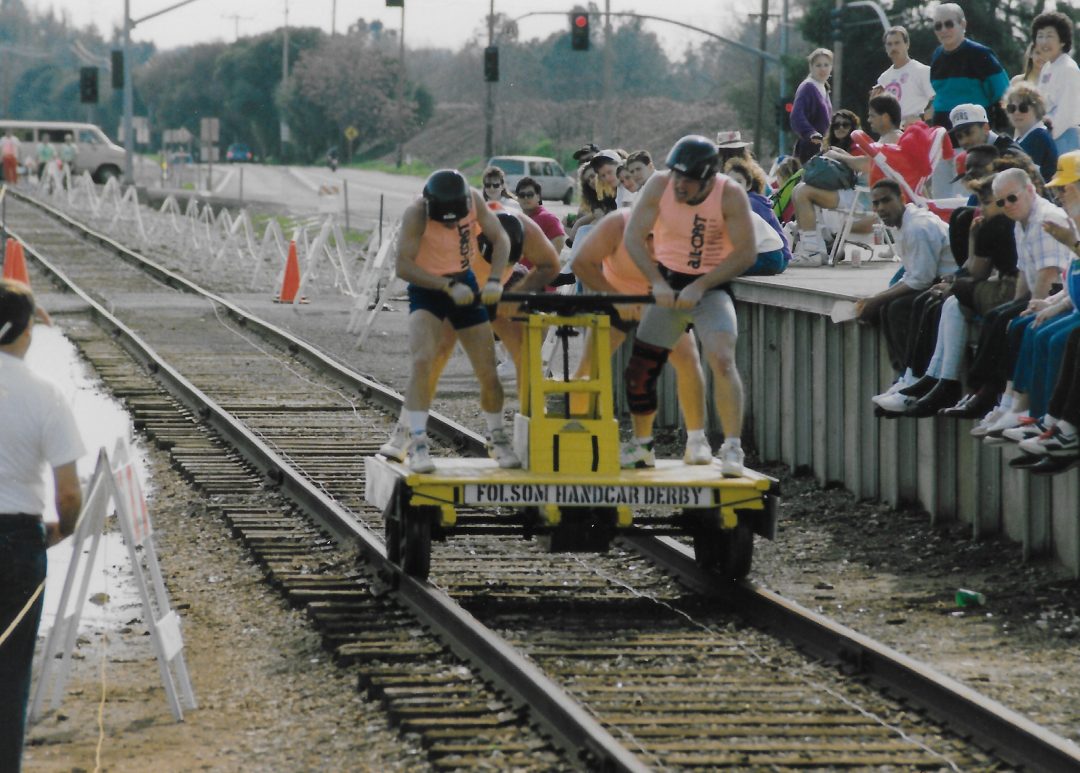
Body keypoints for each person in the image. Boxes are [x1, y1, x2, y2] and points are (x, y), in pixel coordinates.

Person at [622, 135, 757, 477]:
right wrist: (655, 281)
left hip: (711, 283)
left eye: (688, 180)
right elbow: (633, 237)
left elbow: (745, 252)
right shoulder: (659, 186)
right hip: (668, 279)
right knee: (642, 370)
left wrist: (701, 285)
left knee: (722, 357)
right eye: (676, 177)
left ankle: (731, 447)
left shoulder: (729, 194)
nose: (679, 185)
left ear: (709, 179)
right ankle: (644, 445)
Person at [377, 169, 519, 472]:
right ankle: (416, 441)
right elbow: (403, 265)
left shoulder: (473, 200)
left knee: (488, 369)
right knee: (422, 361)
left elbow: (501, 239)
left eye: (457, 220)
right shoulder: (416, 212)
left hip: (464, 282)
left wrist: (494, 280)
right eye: (447, 220)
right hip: (428, 287)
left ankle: (497, 436)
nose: (453, 224)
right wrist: (444, 287)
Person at [0, 279, 85, 772]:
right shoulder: (44, 394)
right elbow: (69, 493)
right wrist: (61, 529)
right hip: (16, 545)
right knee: (9, 672)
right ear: (25, 332)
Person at [568, 209, 713, 465]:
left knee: (689, 360)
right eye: (645, 238)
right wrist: (613, 295)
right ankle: (578, 436)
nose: (650, 246)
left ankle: (697, 440)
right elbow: (581, 263)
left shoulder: (681, 229)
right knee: (589, 367)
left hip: (659, 301)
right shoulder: (616, 224)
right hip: (618, 295)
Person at [966, 167, 1076, 437]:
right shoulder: (1023, 221)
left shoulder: (1048, 218)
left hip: (1057, 290)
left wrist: (1042, 305)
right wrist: (1024, 304)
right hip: (1063, 295)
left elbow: (1048, 275)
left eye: (1011, 198)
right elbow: (1024, 275)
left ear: (1029, 191)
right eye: (1001, 202)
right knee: (1005, 318)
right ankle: (1011, 404)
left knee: (1032, 329)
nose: (1006, 206)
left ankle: (1038, 413)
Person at [425, 206, 561, 394]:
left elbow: (550, 265)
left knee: (537, 316)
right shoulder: (455, 236)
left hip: (507, 281)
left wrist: (518, 294)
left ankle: (528, 399)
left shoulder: (528, 230)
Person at [854, 179, 956, 376]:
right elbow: (912, 275)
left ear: (901, 199)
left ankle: (914, 374)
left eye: (886, 201)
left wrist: (877, 299)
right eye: (876, 204)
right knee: (883, 308)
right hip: (933, 279)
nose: (881, 208)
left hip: (949, 283)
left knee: (897, 308)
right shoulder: (903, 223)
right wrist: (877, 300)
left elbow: (921, 280)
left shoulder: (917, 227)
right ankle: (903, 372)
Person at [788, 110, 865, 266]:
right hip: (843, 193)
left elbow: (863, 166)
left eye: (845, 124)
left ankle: (813, 252)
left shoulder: (859, 145)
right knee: (798, 189)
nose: (840, 128)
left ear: (854, 127)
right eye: (836, 125)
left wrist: (838, 155)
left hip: (858, 195)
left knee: (804, 192)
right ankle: (812, 248)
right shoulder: (828, 145)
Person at [928, 3, 1010, 129]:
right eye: (938, 26)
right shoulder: (936, 56)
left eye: (949, 24)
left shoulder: (981, 54)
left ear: (963, 24)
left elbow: (1004, 94)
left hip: (975, 134)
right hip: (943, 133)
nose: (943, 30)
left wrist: (1000, 131)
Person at [725, 158, 790, 275]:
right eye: (730, 182)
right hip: (764, 252)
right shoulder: (739, 202)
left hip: (774, 256)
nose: (733, 186)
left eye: (738, 182)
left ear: (748, 185)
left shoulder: (750, 203)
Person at [1032, 11, 1080, 155]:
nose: (1044, 41)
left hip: (1065, 138)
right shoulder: (1048, 67)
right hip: (1047, 137)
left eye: (1049, 35)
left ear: (1062, 41)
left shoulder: (1068, 68)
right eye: (1040, 36)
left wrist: (1043, 139)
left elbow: (1066, 114)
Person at [873, 26, 934, 128]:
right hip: (892, 135)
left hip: (918, 131)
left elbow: (936, 103)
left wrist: (920, 119)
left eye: (897, 43)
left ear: (907, 44)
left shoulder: (923, 71)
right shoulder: (883, 78)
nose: (893, 48)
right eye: (889, 44)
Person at [1003, 82, 1058, 183]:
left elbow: (1028, 179)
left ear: (1037, 109)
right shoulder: (1021, 139)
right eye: (1012, 108)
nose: (1016, 112)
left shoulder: (1039, 137)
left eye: (1023, 108)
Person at [791, 48, 834, 164]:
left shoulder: (824, 87)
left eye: (826, 65)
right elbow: (796, 116)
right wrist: (811, 133)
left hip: (822, 149)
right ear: (811, 67)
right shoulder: (808, 87)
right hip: (808, 150)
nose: (823, 69)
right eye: (818, 65)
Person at [515, 176, 566, 254]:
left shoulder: (547, 218)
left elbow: (559, 241)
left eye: (530, 194)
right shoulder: (519, 219)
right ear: (518, 198)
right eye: (522, 195)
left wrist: (542, 265)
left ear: (538, 197)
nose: (525, 198)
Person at [949, 103, 1024, 156]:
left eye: (969, 133)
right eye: (959, 137)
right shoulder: (970, 158)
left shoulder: (1009, 155)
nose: (964, 141)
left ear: (986, 128)